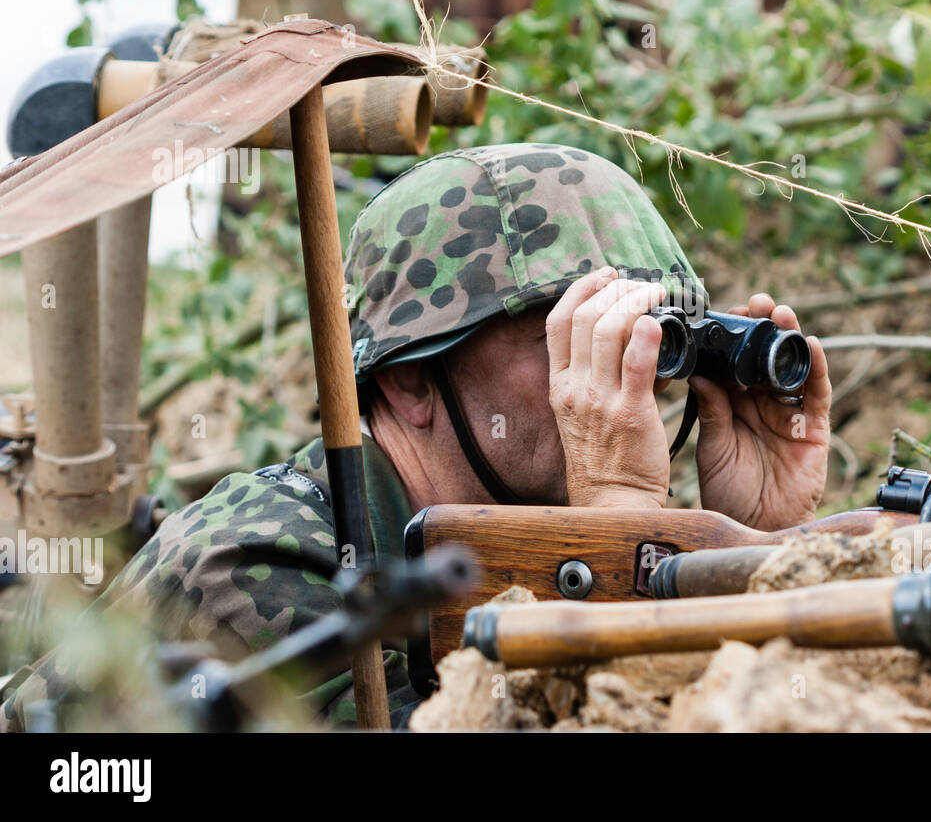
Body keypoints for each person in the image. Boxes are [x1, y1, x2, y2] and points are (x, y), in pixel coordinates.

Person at [0, 142, 831, 729]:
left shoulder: (511, 541)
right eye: (572, 336)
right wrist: (622, 518)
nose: (630, 374)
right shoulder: (260, 569)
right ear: (408, 381)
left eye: (653, 337)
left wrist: (759, 547)